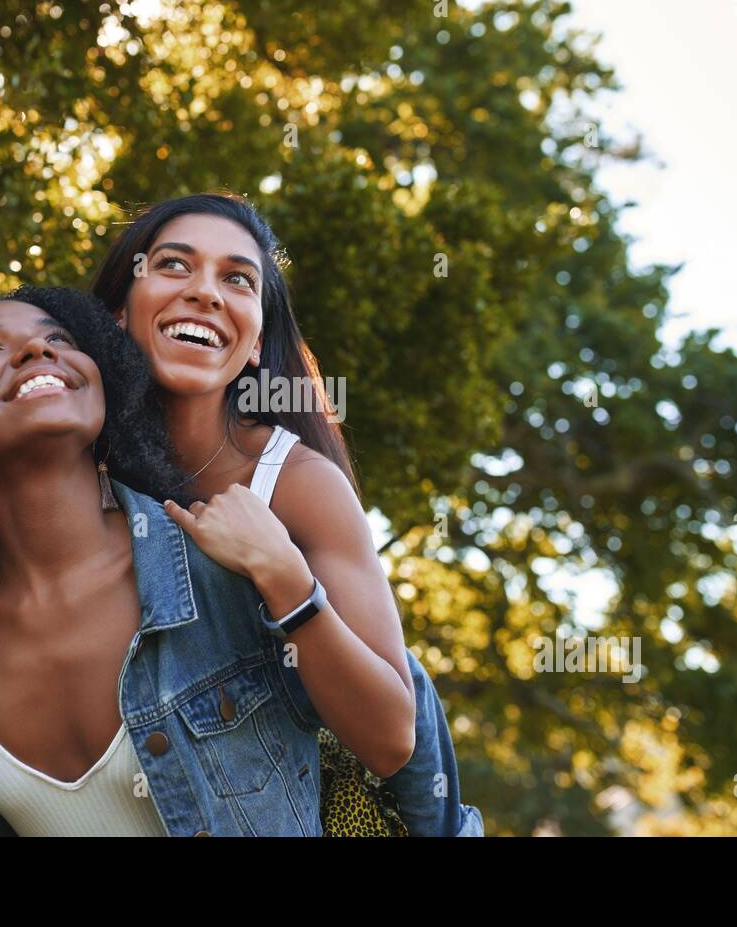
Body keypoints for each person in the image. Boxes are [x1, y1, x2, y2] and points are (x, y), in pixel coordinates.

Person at [0, 287, 333, 835]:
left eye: (59, 339)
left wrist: (292, 587)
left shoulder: (220, 560)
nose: (35, 351)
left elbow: (402, 743)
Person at [91, 191, 482, 836]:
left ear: (255, 342)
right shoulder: (76, 469)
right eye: (174, 266)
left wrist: (283, 575)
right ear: (116, 312)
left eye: (238, 279)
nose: (207, 293)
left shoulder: (298, 484)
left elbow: (392, 738)